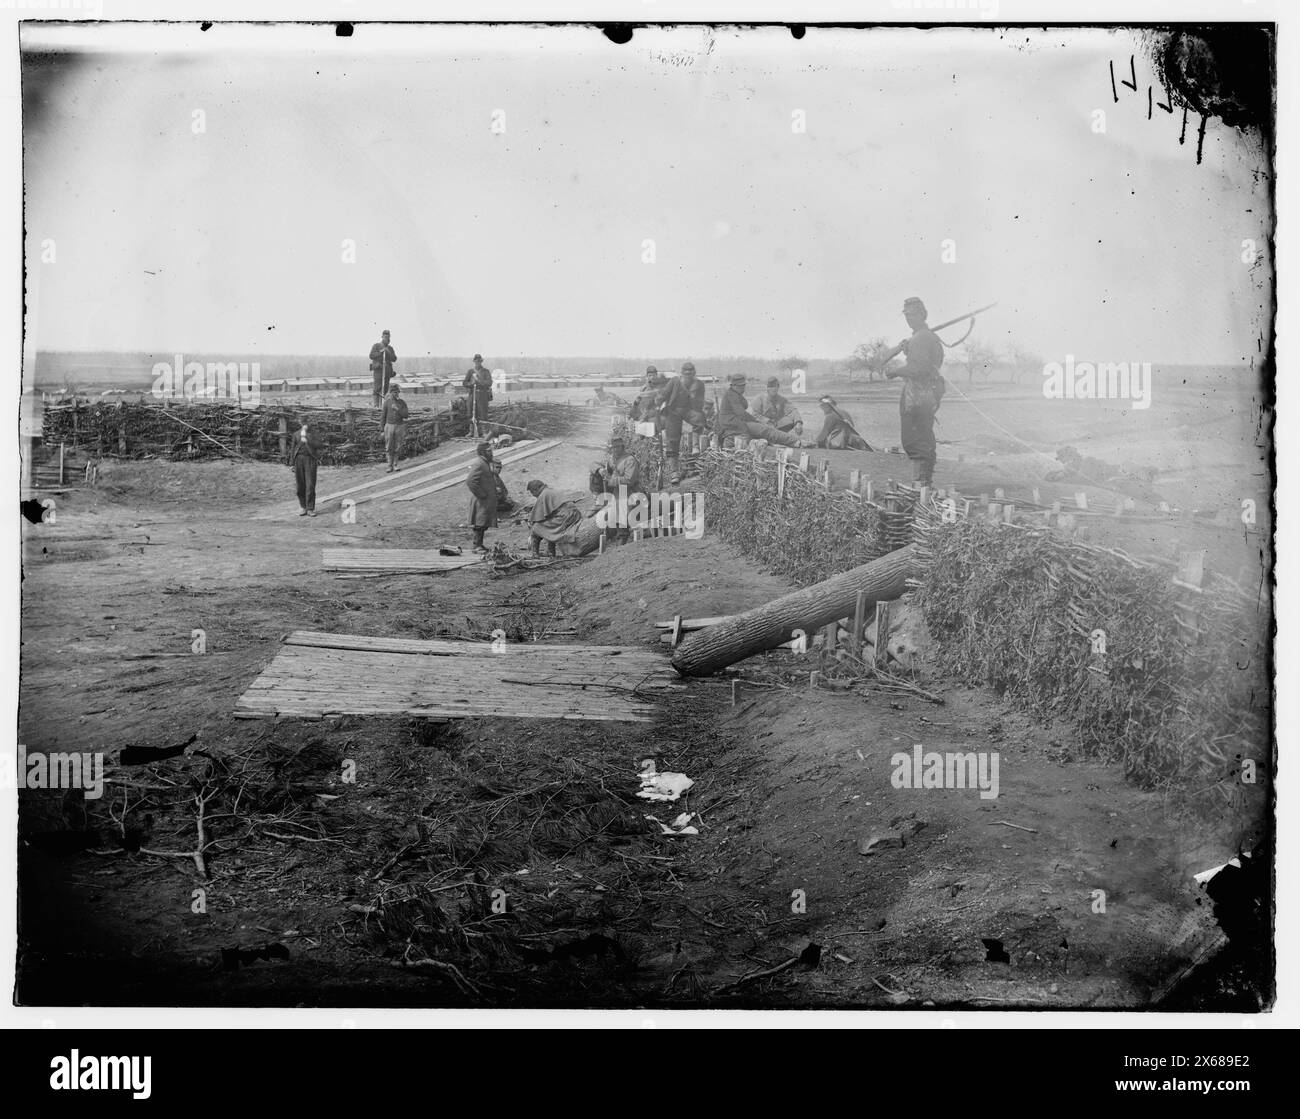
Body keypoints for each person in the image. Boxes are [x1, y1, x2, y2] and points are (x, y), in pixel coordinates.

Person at [883, 296, 945, 484]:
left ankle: (920, 485)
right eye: (907, 315)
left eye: (913, 315)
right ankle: (925, 484)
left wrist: (895, 371)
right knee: (924, 435)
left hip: (917, 394)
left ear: (922, 314)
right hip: (929, 393)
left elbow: (918, 369)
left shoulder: (921, 338)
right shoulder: (926, 337)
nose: (909, 318)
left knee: (913, 439)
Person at [715, 373, 803, 446]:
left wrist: (798, 422)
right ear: (734, 386)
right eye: (741, 386)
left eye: (743, 385)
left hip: (736, 423)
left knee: (766, 430)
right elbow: (743, 414)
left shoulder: (734, 394)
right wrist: (758, 422)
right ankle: (795, 441)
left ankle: (793, 441)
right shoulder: (732, 395)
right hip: (734, 424)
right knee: (765, 430)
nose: (743, 388)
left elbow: (793, 410)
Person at [656, 361, 708, 484]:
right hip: (673, 411)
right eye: (686, 374)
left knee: (699, 418)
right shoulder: (675, 381)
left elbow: (699, 404)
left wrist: (694, 397)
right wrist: (657, 404)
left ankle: (695, 446)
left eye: (691, 374)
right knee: (672, 439)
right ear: (682, 374)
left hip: (688, 410)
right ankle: (674, 472)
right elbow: (663, 394)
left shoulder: (699, 384)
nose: (688, 377)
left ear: (694, 374)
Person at [593, 436, 642, 543]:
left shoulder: (630, 460)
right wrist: (600, 470)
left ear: (622, 447)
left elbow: (629, 481)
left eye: (618, 447)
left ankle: (623, 537)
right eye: (614, 447)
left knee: (621, 507)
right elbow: (593, 464)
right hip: (617, 492)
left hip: (631, 492)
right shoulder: (612, 459)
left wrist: (611, 480)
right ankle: (618, 535)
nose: (615, 449)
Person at [526, 479, 582, 556]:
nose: (533, 495)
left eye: (532, 492)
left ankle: (535, 553)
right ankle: (550, 551)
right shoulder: (551, 491)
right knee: (549, 526)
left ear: (535, 489)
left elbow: (536, 518)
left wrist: (531, 524)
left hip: (565, 516)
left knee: (536, 527)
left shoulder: (543, 494)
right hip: (573, 514)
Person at [465, 441, 498, 553]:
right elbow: (470, 481)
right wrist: (482, 494)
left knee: (483, 523)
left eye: (491, 450)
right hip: (481, 500)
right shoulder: (479, 463)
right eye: (489, 451)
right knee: (479, 523)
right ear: (483, 452)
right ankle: (476, 546)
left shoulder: (485, 462)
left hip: (485, 500)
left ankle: (479, 545)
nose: (491, 453)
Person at [291, 419, 325, 517]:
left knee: (310, 485)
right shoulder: (296, 434)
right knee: (300, 486)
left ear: (309, 423)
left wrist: (308, 440)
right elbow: (293, 450)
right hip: (298, 461)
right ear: (300, 423)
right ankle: (303, 507)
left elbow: (320, 445)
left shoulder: (314, 434)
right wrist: (292, 463)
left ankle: (310, 508)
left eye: (306, 423)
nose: (305, 425)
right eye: (303, 423)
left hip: (310, 460)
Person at [379, 382, 409, 473]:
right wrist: (382, 430)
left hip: (399, 426)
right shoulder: (387, 403)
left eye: (397, 392)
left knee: (398, 446)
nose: (395, 394)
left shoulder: (402, 403)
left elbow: (406, 415)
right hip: (389, 426)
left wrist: (398, 409)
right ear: (390, 393)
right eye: (393, 392)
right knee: (389, 447)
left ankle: (396, 465)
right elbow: (383, 417)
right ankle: (389, 466)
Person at [462, 354, 494, 437]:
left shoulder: (485, 371)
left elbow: (489, 382)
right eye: (476, 361)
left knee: (483, 413)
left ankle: (484, 432)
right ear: (474, 362)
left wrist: (479, 382)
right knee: (471, 412)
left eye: (479, 361)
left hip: (482, 395)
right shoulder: (470, 371)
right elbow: (464, 383)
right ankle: (471, 431)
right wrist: (471, 383)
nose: (477, 363)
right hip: (472, 394)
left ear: (481, 362)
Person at [369, 330, 397, 407]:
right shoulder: (376, 346)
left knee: (385, 388)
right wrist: (381, 352)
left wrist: (387, 352)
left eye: (388, 337)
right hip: (378, 370)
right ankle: (376, 405)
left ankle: (383, 406)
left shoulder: (390, 348)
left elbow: (394, 359)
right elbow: (371, 355)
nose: (387, 339)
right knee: (377, 387)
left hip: (387, 371)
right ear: (382, 337)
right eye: (385, 337)